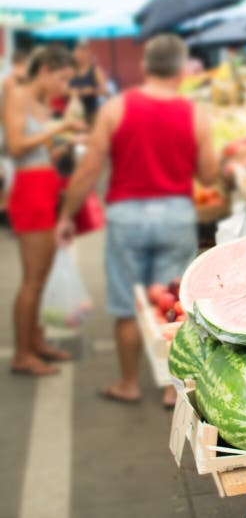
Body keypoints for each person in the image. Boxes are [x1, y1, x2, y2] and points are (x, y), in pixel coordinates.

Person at [57, 35, 217, 404]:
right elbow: (208, 175)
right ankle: (169, 388)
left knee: (129, 305)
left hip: (127, 217)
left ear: (145, 67)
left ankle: (128, 383)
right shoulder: (194, 114)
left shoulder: (115, 108)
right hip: (176, 214)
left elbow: (87, 170)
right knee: (173, 302)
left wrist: (67, 216)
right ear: (180, 70)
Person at [3, 45, 85, 376]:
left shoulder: (39, 103)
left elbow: (39, 152)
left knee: (43, 274)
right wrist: (59, 127)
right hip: (29, 191)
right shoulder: (17, 95)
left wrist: (68, 141)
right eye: (62, 78)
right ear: (45, 69)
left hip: (45, 186)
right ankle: (22, 354)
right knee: (33, 280)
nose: (64, 87)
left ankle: (35, 341)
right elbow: (16, 146)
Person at [1, 50, 30, 217]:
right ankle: (8, 209)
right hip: (9, 138)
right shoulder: (7, 83)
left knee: (15, 176)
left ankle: (11, 209)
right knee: (11, 178)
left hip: (18, 136)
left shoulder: (24, 83)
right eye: (21, 66)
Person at [70, 42, 108, 124]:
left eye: (83, 52)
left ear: (88, 53)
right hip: (73, 114)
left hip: (91, 114)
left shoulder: (95, 71)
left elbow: (105, 91)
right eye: (77, 52)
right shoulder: (71, 70)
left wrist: (92, 91)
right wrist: (73, 92)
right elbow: (64, 89)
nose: (80, 55)